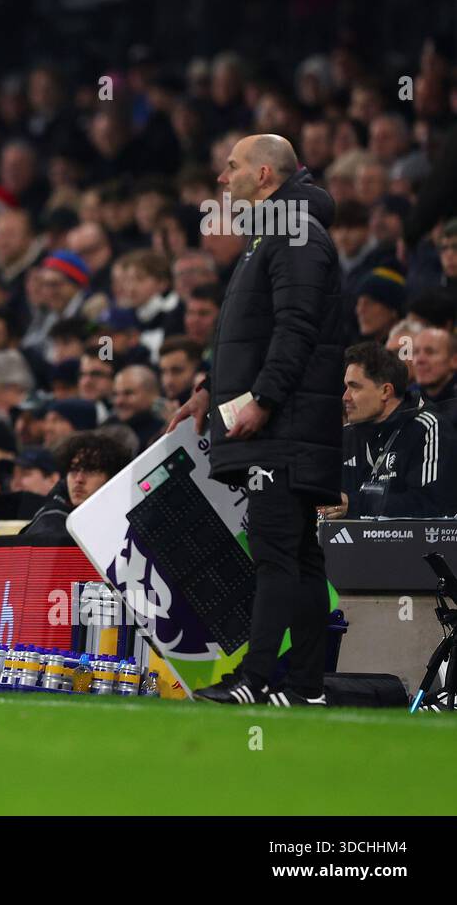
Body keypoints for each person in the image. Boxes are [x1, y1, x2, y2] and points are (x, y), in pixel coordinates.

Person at [169, 135, 343, 707]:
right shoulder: (271, 234)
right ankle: (306, 687)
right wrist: (206, 392)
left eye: (232, 166)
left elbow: (297, 328)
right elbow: (249, 336)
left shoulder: (292, 232)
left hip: (283, 426)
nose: (223, 178)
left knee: (275, 554)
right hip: (285, 424)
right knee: (298, 555)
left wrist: (262, 400)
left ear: (264, 174)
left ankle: (257, 679)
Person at [340, 342, 457, 518]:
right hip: (345, 543)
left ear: (386, 391)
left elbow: (430, 505)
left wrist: (353, 504)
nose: (345, 397)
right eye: (346, 387)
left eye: (355, 387)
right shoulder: (347, 436)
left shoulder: (428, 428)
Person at [17, 432, 132, 546]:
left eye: (90, 470)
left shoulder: (129, 523)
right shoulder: (51, 519)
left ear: (112, 478)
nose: (79, 479)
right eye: (73, 470)